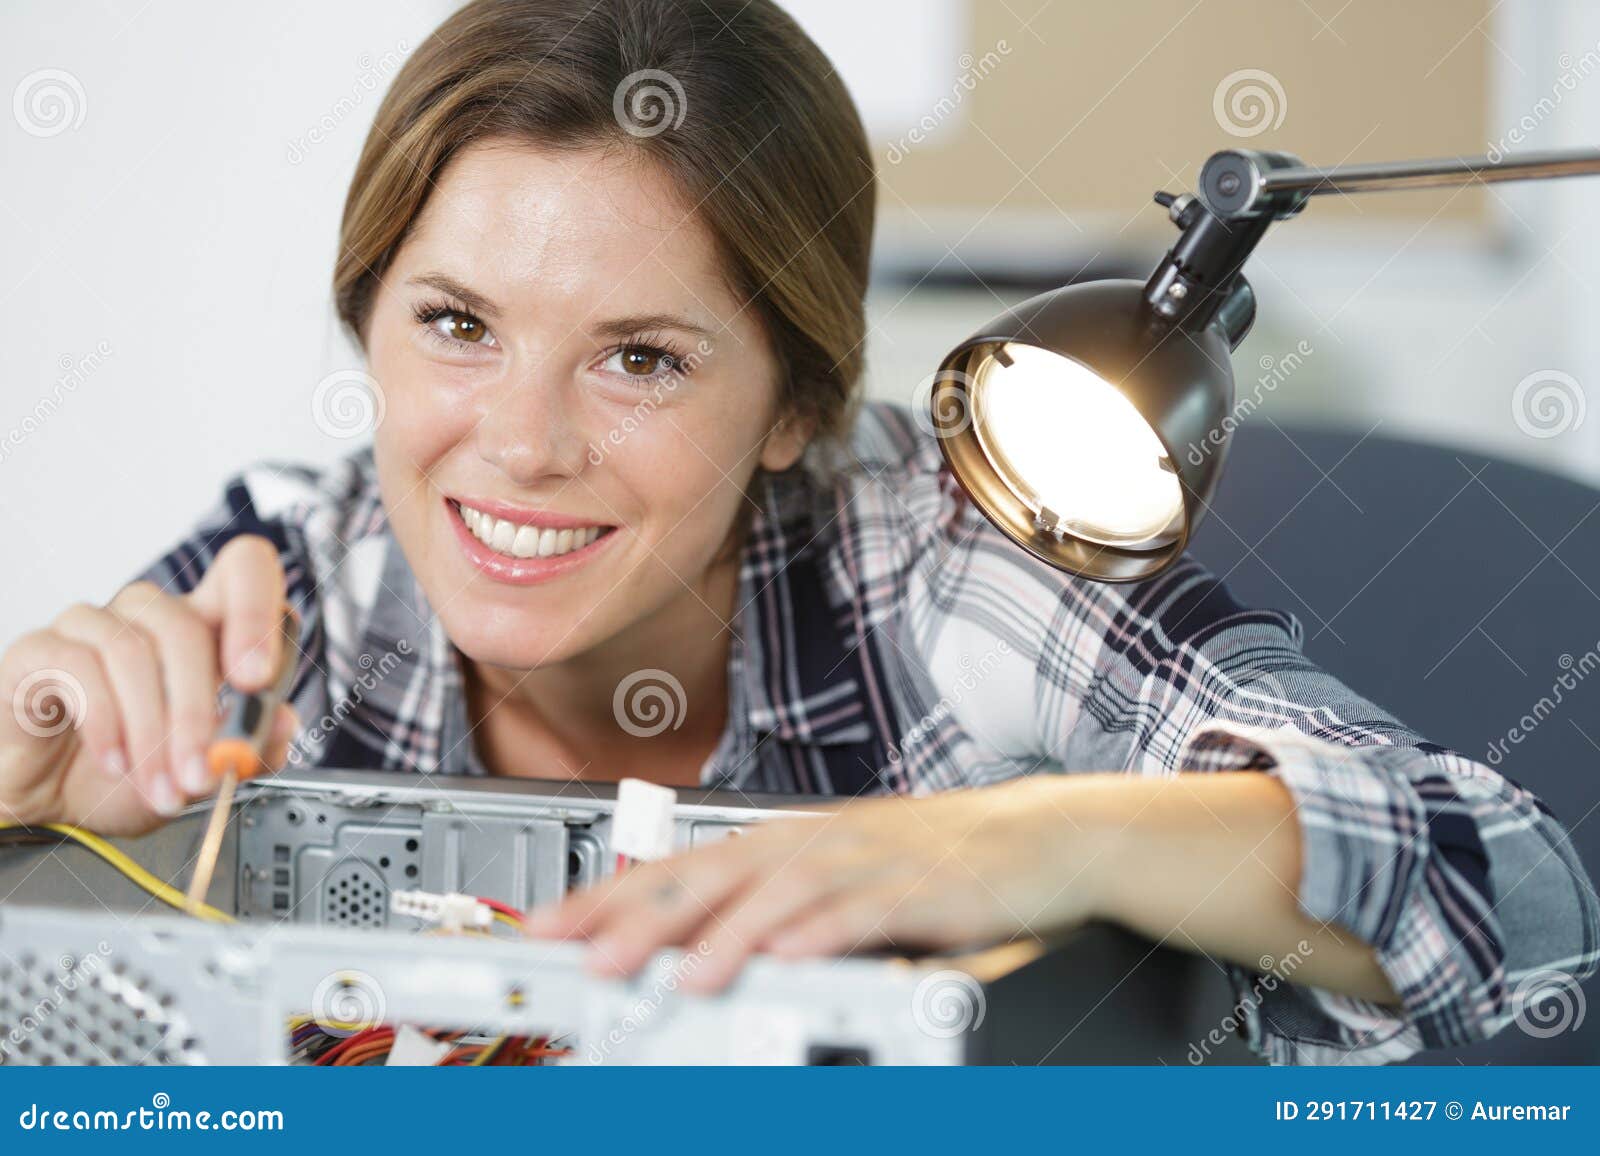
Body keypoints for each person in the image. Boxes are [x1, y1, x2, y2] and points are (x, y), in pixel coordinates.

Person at [1, 0, 1593, 1065]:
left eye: (643, 358)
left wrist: (1039, 839)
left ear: (793, 406)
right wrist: (20, 796)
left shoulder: (950, 554)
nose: (522, 446)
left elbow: (1522, 895)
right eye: (457, 324)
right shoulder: (295, 567)